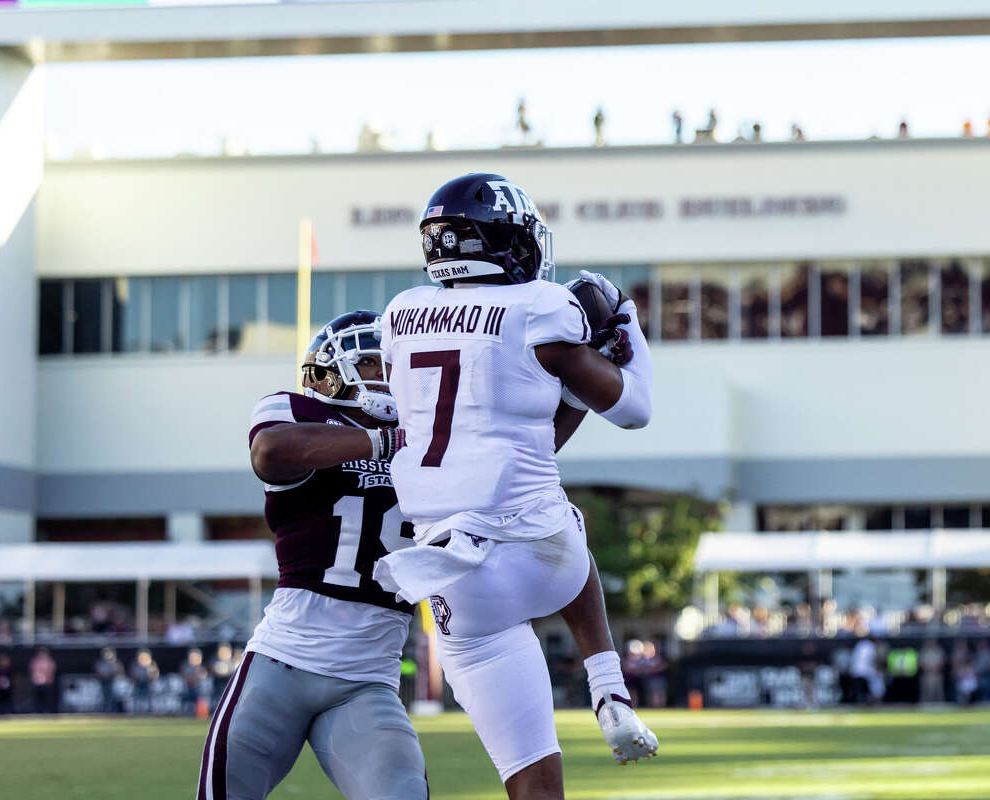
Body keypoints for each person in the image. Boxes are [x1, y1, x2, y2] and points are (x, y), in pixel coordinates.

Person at [373, 173, 657, 799]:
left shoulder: (399, 315)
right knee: (564, 518)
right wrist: (626, 326)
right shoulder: (542, 307)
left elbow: (484, 419)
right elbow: (635, 408)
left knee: (532, 781)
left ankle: (601, 694)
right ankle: (608, 685)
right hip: (541, 549)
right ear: (509, 240)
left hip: (448, 571)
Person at [196, 311, 426, 800]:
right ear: (330, 371)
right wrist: (385, 443)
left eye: (391, 362)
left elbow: (519, 456)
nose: (384, 373)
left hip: (368, 677)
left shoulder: (429, 436)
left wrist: (573, 390)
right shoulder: (298, 412)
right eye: (370, 362)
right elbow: (270, 451)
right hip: (283, 662)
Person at [94, 646, 124, 713]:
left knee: (114, 697)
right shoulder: (100, 663)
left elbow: (120, 672)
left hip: (114, 682)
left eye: (108, 653)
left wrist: (112, 675)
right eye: (105, 653)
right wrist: (104, 676)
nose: (107, 655)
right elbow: (97, 673)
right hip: (103, 682)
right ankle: (105, 711)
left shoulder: (116, 663)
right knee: (105, 698)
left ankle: (114, 711)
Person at [29, 647, 57, 714]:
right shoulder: (35, 661)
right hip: (38, 683)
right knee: (38, 698)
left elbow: (52, 671)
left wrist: (46, 679)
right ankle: (38, 711)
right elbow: (33, 671)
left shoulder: (50, 661)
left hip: (47, 683)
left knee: (47, 698)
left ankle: (47, 711)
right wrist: (38, 678)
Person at [918, 638, 945, 704]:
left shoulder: (939, 650)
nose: (931, 642)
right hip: (926, 674)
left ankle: (939, 705)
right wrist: (928, 668)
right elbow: (921, 663)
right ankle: (925, 705)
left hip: (936, 674)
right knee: (926, 691)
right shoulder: (924, 650)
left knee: (938, 691)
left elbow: (942, 662)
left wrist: (934, 668)